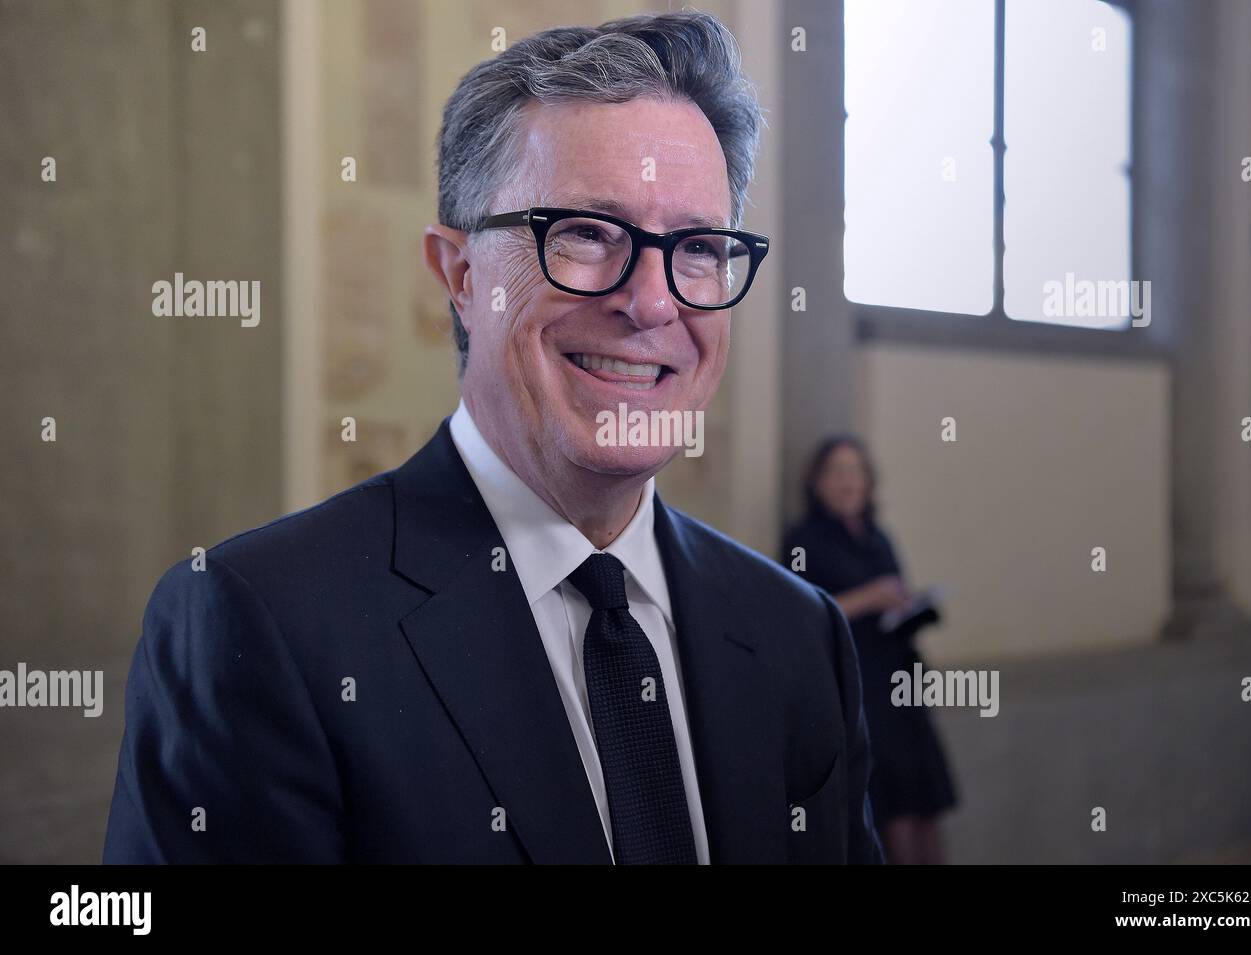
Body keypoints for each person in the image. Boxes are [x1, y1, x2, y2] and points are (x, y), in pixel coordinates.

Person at [103, 12, 884, 865]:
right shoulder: (258, 626)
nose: (652, 302)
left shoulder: (797, 632)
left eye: (697, 247)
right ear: (461, 275)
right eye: (588, 234)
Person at [784, 436, 957, 864]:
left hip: (901, 682)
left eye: (856, 471)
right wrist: (870, 597)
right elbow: (798, 615)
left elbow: (893, 597)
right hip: (860, 691)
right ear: (817, 482)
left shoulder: (878, 537)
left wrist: (912, 607)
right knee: (891, 808)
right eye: (837, 472)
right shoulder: (805, 540)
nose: (848, 481)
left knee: (925, 805)